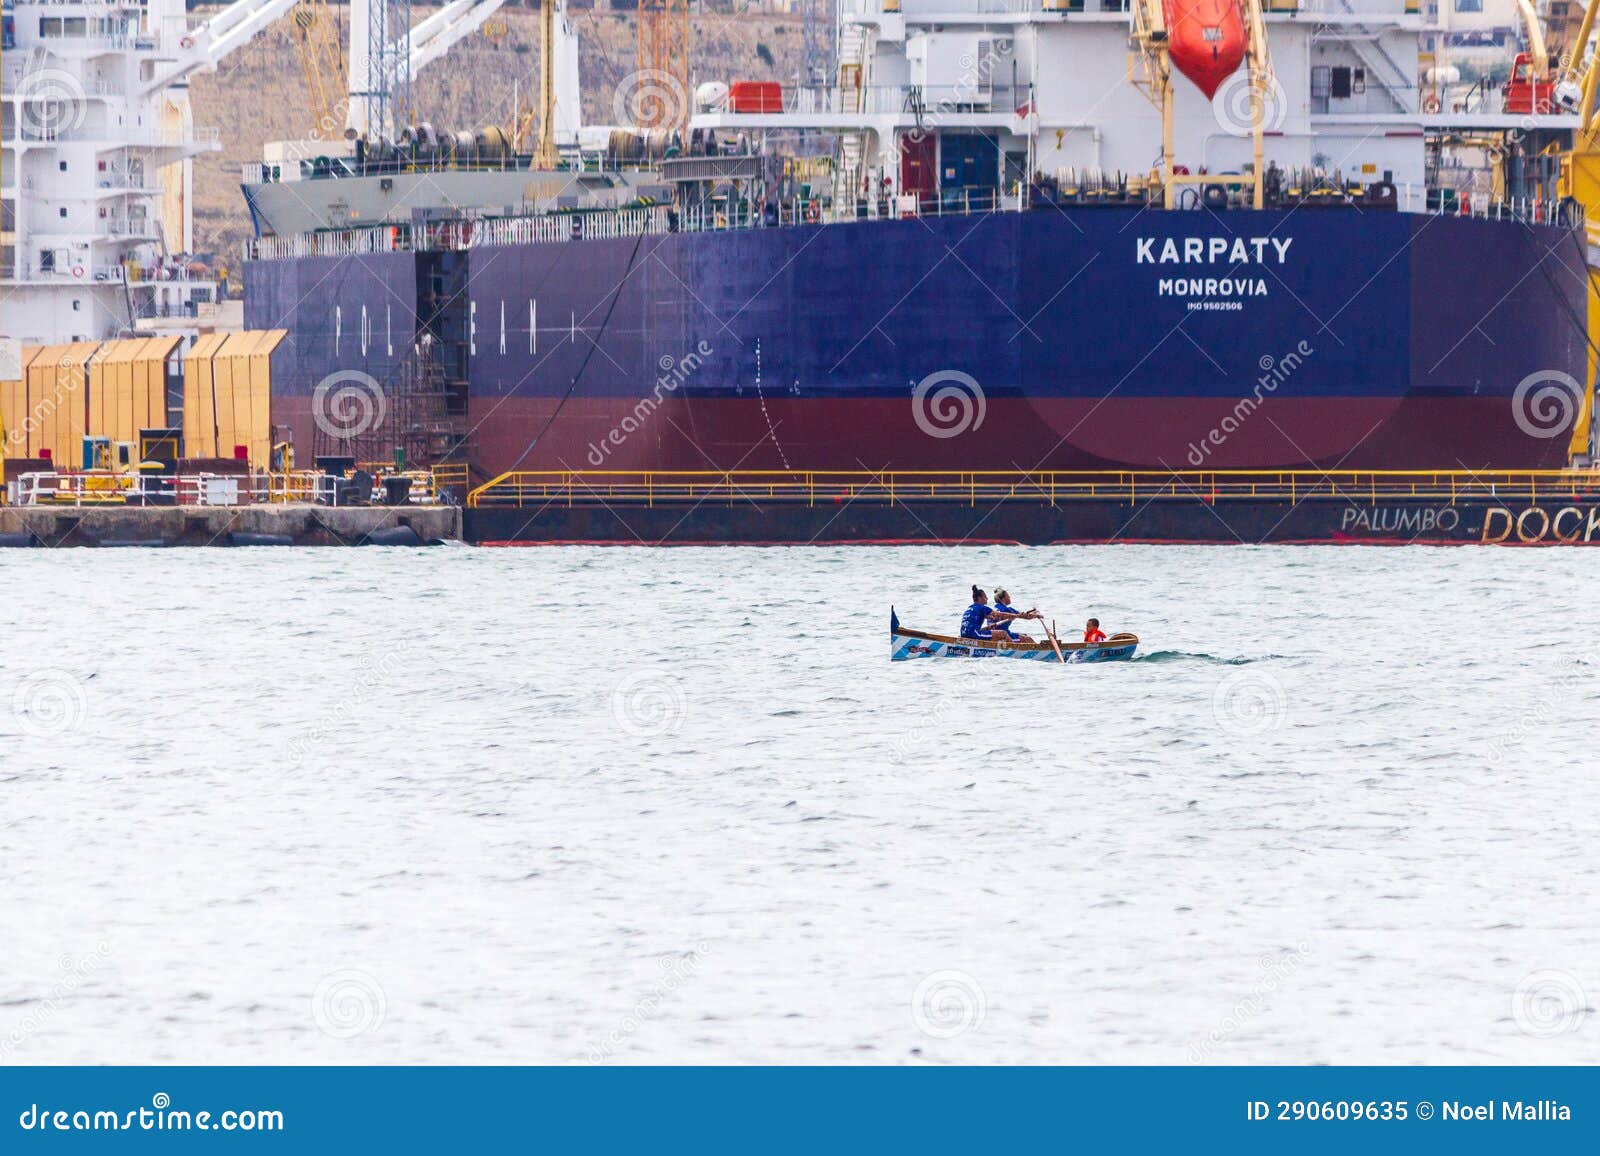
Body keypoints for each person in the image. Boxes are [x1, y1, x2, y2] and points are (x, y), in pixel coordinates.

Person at [960, 586, 1036, 642]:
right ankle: (1014, 650)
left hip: (964, 634)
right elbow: (1000, 615)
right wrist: (1016, 615)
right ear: (979, 598)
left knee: (1003, 633)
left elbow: (974, 626)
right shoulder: (982, 608)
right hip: (974, 635)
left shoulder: (969, 608)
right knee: (1003, 633)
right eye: (985, 597)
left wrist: (989, 627)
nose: (987, 599)